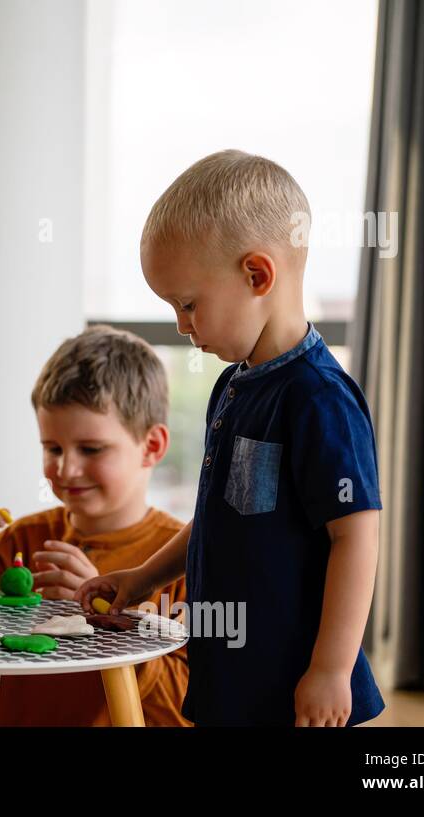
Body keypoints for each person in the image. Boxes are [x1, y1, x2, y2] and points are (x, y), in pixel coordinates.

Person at [80, 149, 386, 726]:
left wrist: (331, 670)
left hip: (296, 685)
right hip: (231, 675)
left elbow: (357, 538)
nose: (181, 325)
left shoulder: (318, 398)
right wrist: (144, 578)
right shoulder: (235, 386)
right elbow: (226, 512)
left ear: (256, 276)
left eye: (188, 304)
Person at [0, 327, 190, 726]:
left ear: (152, 446)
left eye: (91, 449)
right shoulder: (20, 542)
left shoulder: (183, 558)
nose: (66, 468)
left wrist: (104, 619)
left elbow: (182, 707)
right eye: (52, 448)